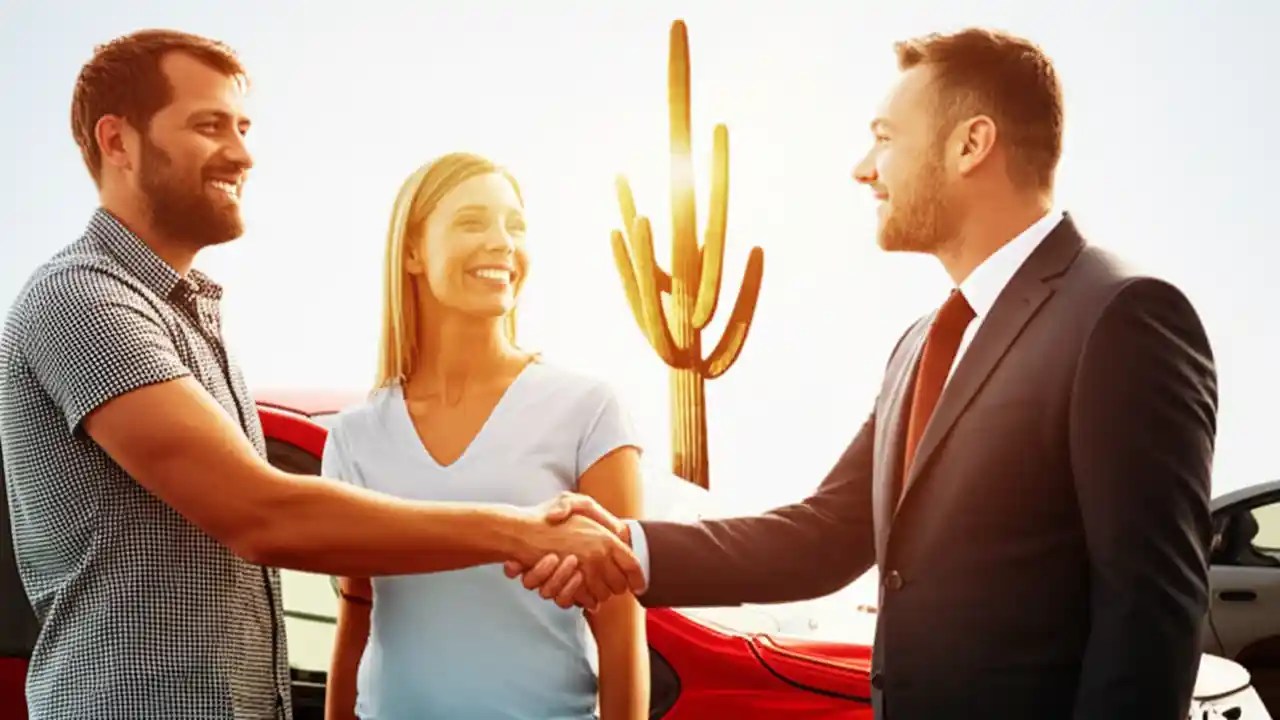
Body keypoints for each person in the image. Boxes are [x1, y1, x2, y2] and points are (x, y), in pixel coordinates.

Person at [510, 27, 1218, 720]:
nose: (863, 167)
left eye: (885, 136)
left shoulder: (1122, 317)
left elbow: (1150, 613)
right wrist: (629, 547)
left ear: (972, 144)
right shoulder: (920, 345)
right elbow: (822, 537)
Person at [0, 29, 641, 720]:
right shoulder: (83, 301)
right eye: (208, 125)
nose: (243, 153)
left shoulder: (191, 323)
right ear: (117, 141)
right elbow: (259, 514)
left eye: (243, 127)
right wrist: (524, 531)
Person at [320, 153, 649, 720]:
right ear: (413, 251)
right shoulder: (355, 436)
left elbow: (622, 627)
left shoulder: (587, 408)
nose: (502, 242)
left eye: (514, 226)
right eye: (473, 222)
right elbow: (356, 615)